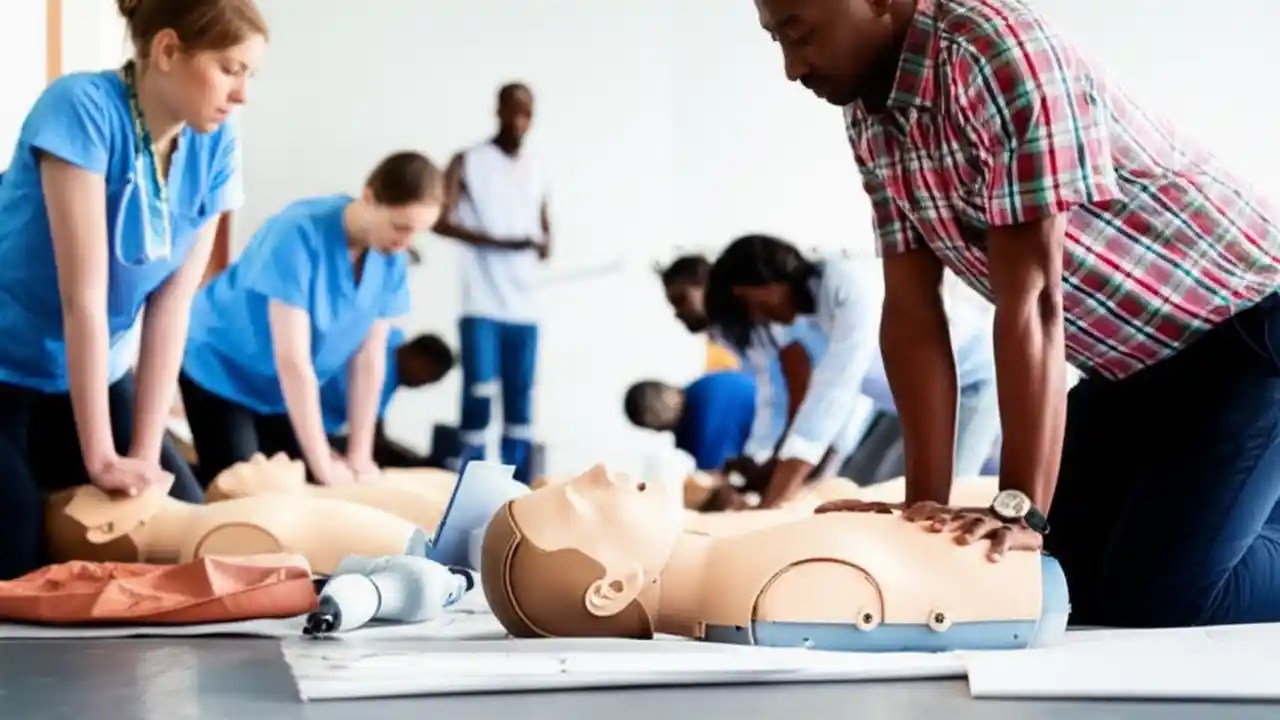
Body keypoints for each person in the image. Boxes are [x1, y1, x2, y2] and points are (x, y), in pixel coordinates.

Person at [754, 0, 1280, 628]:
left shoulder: (996, 52)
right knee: (1059, 582)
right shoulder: (869, 116)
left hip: (1247, 333)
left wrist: (1020, 508)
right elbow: (914, 312)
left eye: (798, 33)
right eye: (775, 39)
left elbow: (1032, 299)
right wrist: (924, 508)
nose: (790, 67)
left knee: (1160, 599)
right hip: (1129, 370)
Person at [0, 0, 268, 581]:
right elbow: (84, 299)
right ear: (168, 50)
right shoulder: (81, 108)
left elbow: (170, 305)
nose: (242, 93)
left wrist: (143, 457)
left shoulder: (215, 145)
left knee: (185, 525)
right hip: (8, 359)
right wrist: (100, 456)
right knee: (15, 547)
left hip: (86, 369)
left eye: (250, 74)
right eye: (230, 68)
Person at [179, 151, 443, 487]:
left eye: (417, 233)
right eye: (400, 227)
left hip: (277, 393)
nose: (406, 241)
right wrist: (324, 466)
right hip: (221, 369)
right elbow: (293, 361)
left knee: (308, 488)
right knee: (244, 491)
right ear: (369, 197)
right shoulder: (298, 233)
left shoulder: (392, 259)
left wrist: (359, 458)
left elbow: (369, 360)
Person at [434, 82, 551, 485]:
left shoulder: (536, 165)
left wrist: (541, 244)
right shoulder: (467, 160)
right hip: (481, 300)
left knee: (521, 399)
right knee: (479, 392)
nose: (519, 120)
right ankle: (471, 484)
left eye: (527, 113)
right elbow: (440, 220)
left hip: (526, 302)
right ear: (497, 110)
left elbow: (544, 226)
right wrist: (501, 243)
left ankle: (514, 489)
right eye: (512, 111)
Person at [322, 329, 456, 468]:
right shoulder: (379, 378)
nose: (424, 383)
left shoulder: (390, 338)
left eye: (431, 381)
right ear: (415, 355)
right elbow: (374, 441)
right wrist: (421, 464)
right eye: (428, 374)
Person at [624, 371, 757, 473]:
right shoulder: (709, 382)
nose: (660, 409)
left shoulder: (703, 428)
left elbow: (718, 484)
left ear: (654, 429)